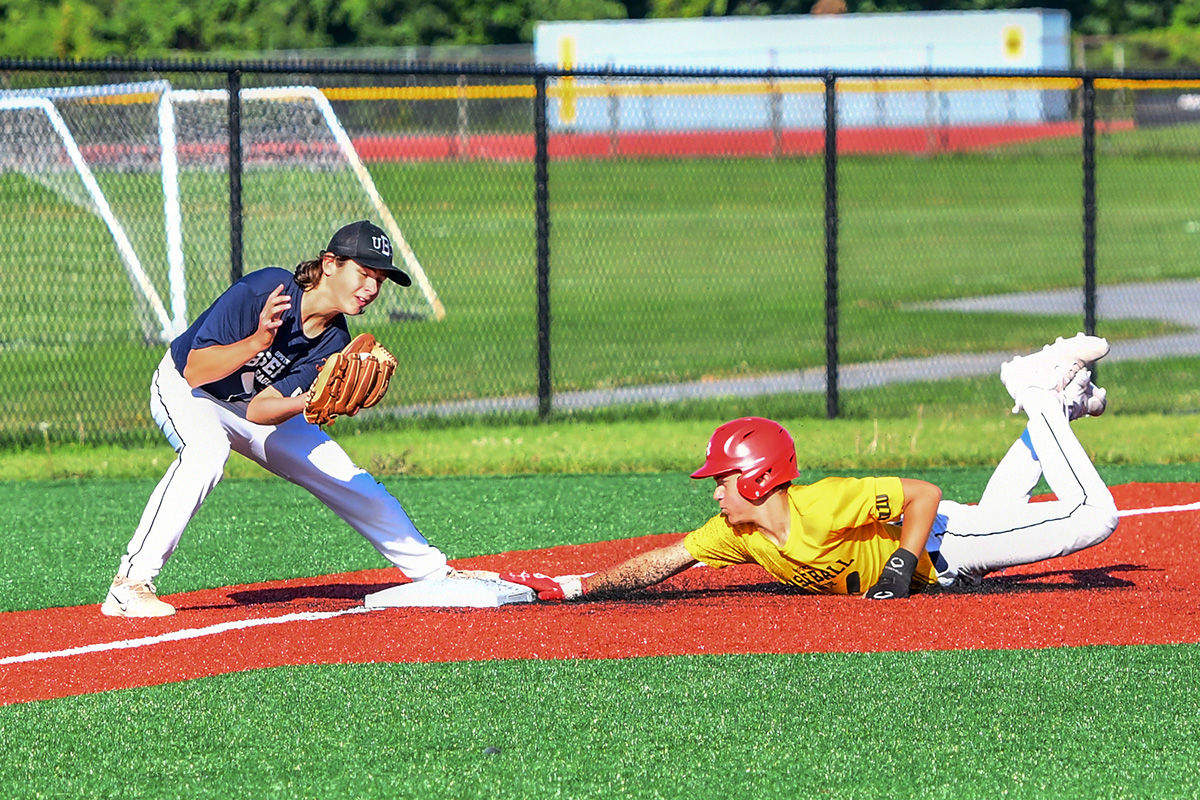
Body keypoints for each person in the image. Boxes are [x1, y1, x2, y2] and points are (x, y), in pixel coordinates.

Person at [502, 334, 1119, 601]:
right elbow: (663, 562)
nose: (714, 491)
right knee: (1008, 511)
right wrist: (577, 587)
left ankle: (1037, 390)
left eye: (722, 479)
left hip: (946, 543)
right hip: (946, 557)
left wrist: (903, 561)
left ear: (756, 478)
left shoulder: (822, 505)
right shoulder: (740, 535)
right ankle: (1061, 404)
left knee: (1094, 519)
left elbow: (924, 494)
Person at [102, 220, 450, 617]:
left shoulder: (334, 340)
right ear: (330, 264)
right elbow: (196, 370)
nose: (372, 287)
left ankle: (434, 573)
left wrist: (307, 401)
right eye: (364, 273)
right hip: (188, 389)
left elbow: (259, 411)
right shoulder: (267, 290)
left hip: (247, 403)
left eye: (380, 280)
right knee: (207, 452)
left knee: (345, 475)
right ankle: (129, 584)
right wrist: (257, 342)